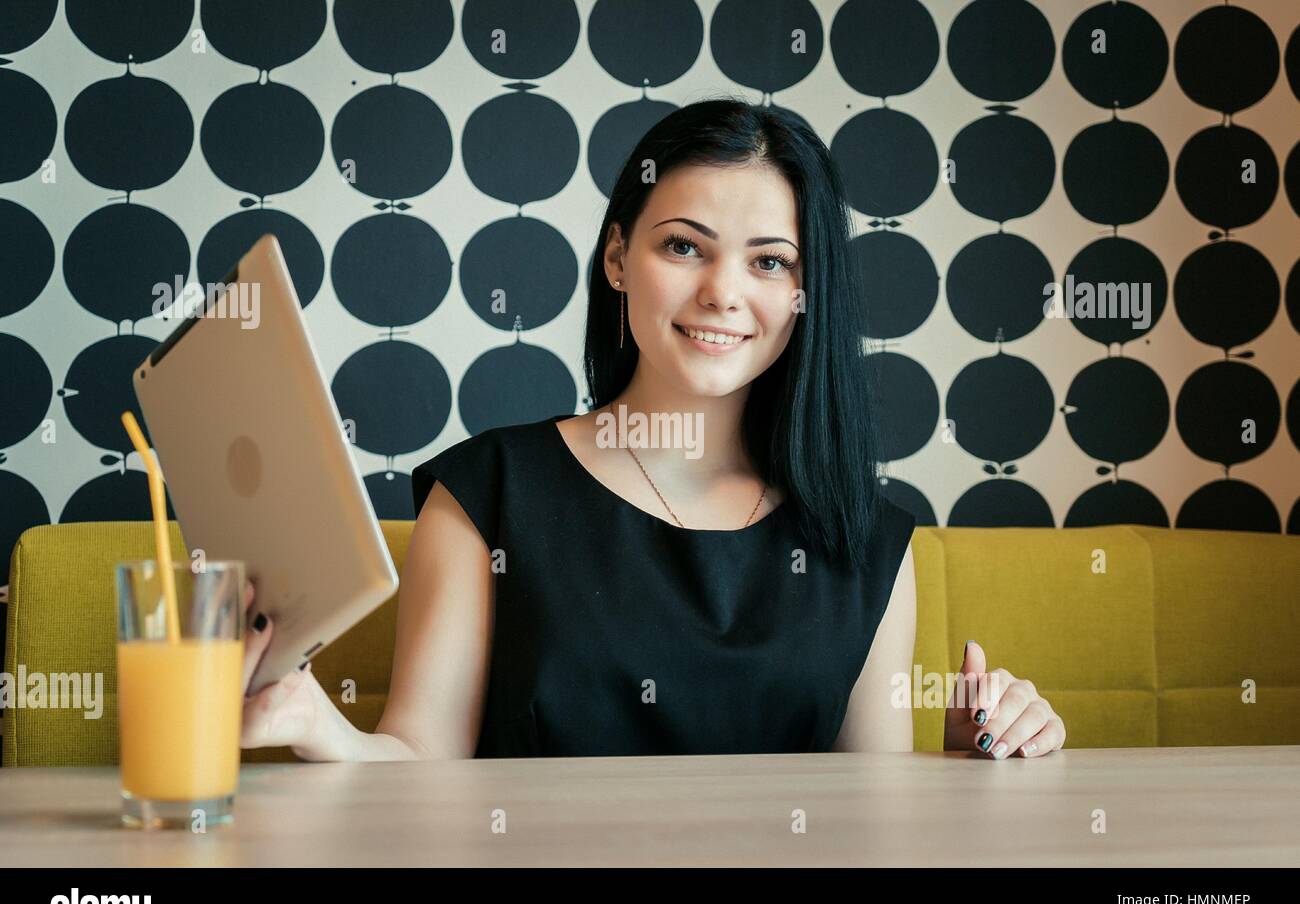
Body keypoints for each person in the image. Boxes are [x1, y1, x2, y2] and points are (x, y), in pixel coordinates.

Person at [239, 96, 1066, 762]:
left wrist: (971, 768)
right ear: (618, 258)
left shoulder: (864, 536)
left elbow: (871, 820)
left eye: (770, 261)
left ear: (806, 296)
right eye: (684, 246)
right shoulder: (487, 494)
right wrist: (323, 730)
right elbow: (420, 761)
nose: (723, 292)